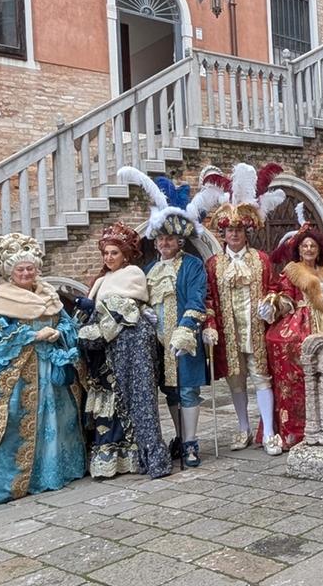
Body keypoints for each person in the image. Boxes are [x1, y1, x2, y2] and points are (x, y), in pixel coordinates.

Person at [0, 233, 85, 508]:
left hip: (51, 367)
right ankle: (19, 479)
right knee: (14, 417)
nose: (26, 273)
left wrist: (60, 332)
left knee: (59, 418)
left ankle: (54, 470)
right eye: (20, 269)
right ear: (10, 272)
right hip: (19, 370)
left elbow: (67, 322)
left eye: (30, 269)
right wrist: (32, 336)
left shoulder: (49, 294)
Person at [118, 166, 215, 467]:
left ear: (179, 241)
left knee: (188, 390)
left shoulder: (192, 265)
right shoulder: (149, 270)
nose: (164, 244)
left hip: (184, 339)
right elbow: (140, 299)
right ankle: (179, 436)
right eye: (160, 240)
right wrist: (144, 311)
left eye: (169, 240)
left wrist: (186, 330)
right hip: (158, 342)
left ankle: (191, 442)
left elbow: (197, 299)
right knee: (170, 392)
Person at [78, 221, 172, 479]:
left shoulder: (133, 274)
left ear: (126, 255)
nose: (109, 258)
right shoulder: (101, 279)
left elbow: (125, 309)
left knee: (138, 395)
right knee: (113, 396)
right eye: (105, 253)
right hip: (109, 346)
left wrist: (94, 321)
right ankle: (117, 455)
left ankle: (147, 455)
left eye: (114, 253)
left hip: (132, 341)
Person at [202, 162, 285, 455]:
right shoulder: (214, 264)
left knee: (262, 378)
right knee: (235, 383)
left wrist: (270, 305)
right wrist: (210, 327)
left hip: (256, 331)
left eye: (238, 230)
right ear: (223, 234)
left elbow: (274, 288)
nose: (234, 235)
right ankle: (242, 428)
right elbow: (208, 299)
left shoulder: (261, 259)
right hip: (229, 333)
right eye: (229, 230)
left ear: (245, 232)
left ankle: (269, 432)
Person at [262, 207, 323, 449]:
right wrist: (279, 303)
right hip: (302, 324)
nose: (309, 249)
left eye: (313, 246)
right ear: (299, 249)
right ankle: (297, 429)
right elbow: (280, 294)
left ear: (319, 249)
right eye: (305, 246)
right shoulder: (292, 271)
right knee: (299, 378)